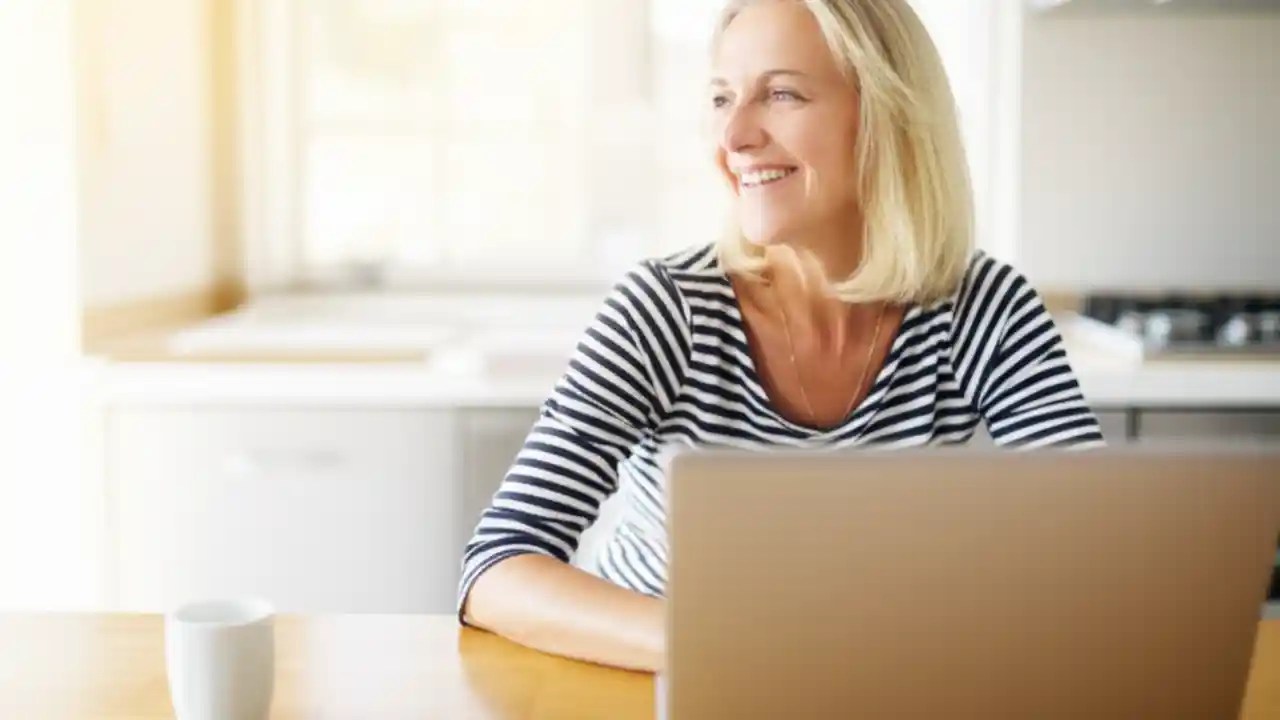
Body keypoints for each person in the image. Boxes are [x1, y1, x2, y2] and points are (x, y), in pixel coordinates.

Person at [458, 0, 1104, 673]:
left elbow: (1093, 554)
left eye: (781, 94)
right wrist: (731, 648)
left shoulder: (983, 311)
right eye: (721, 97)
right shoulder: (667, 310)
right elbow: (498, 568)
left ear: (887, 113)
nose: (733, 135)